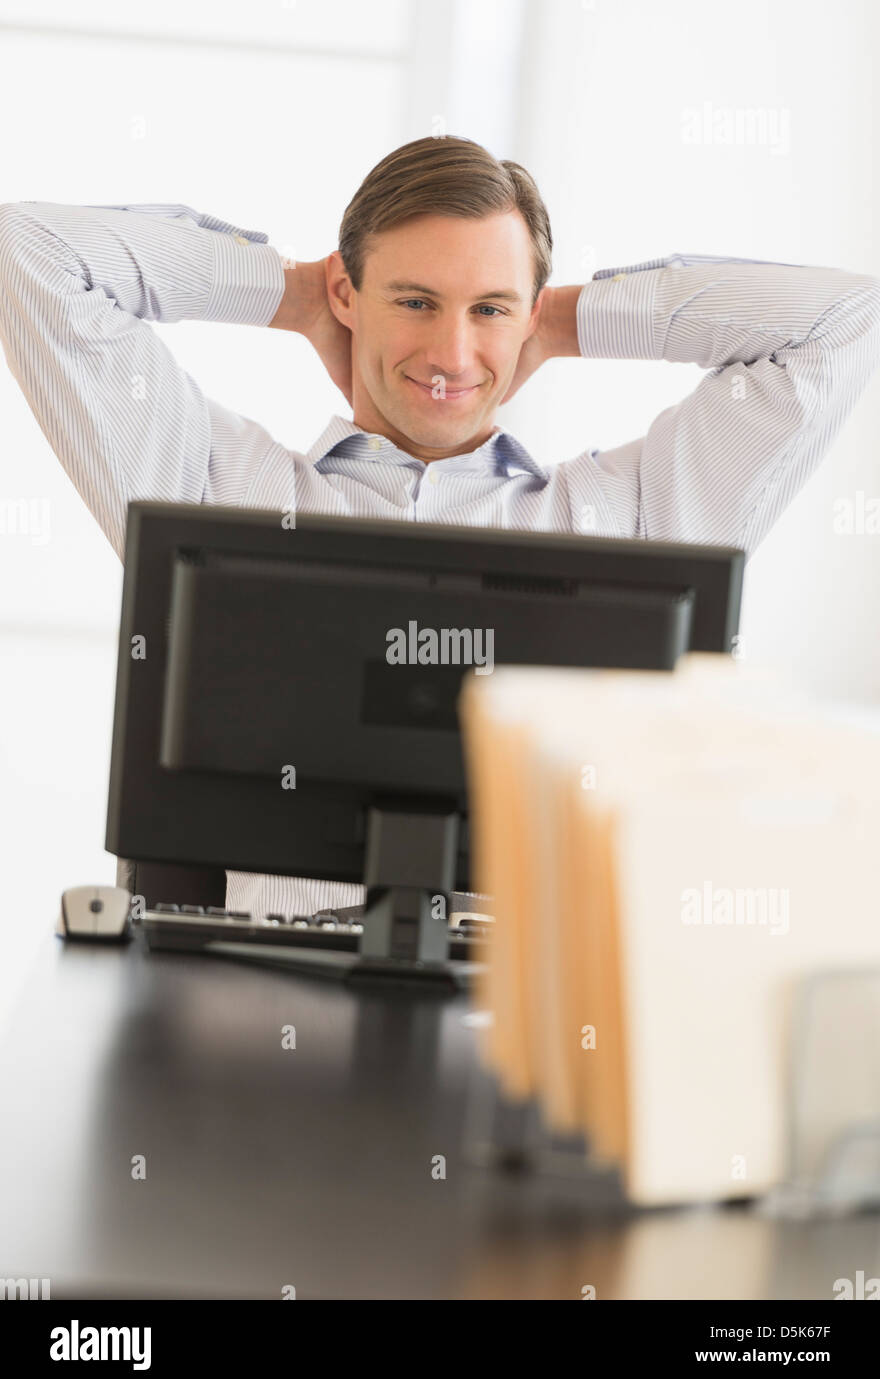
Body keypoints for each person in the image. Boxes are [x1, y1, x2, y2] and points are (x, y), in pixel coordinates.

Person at [2, 134, 879, 919]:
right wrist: (294, 294)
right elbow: (30, 252)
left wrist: (565, 319)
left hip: (522, 1042)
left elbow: (840, 323)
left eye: (489, 309)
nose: (453, 356)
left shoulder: (632, 519)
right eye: (415, 301)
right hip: (272, 1025)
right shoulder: (216, 487)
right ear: (351, 292)